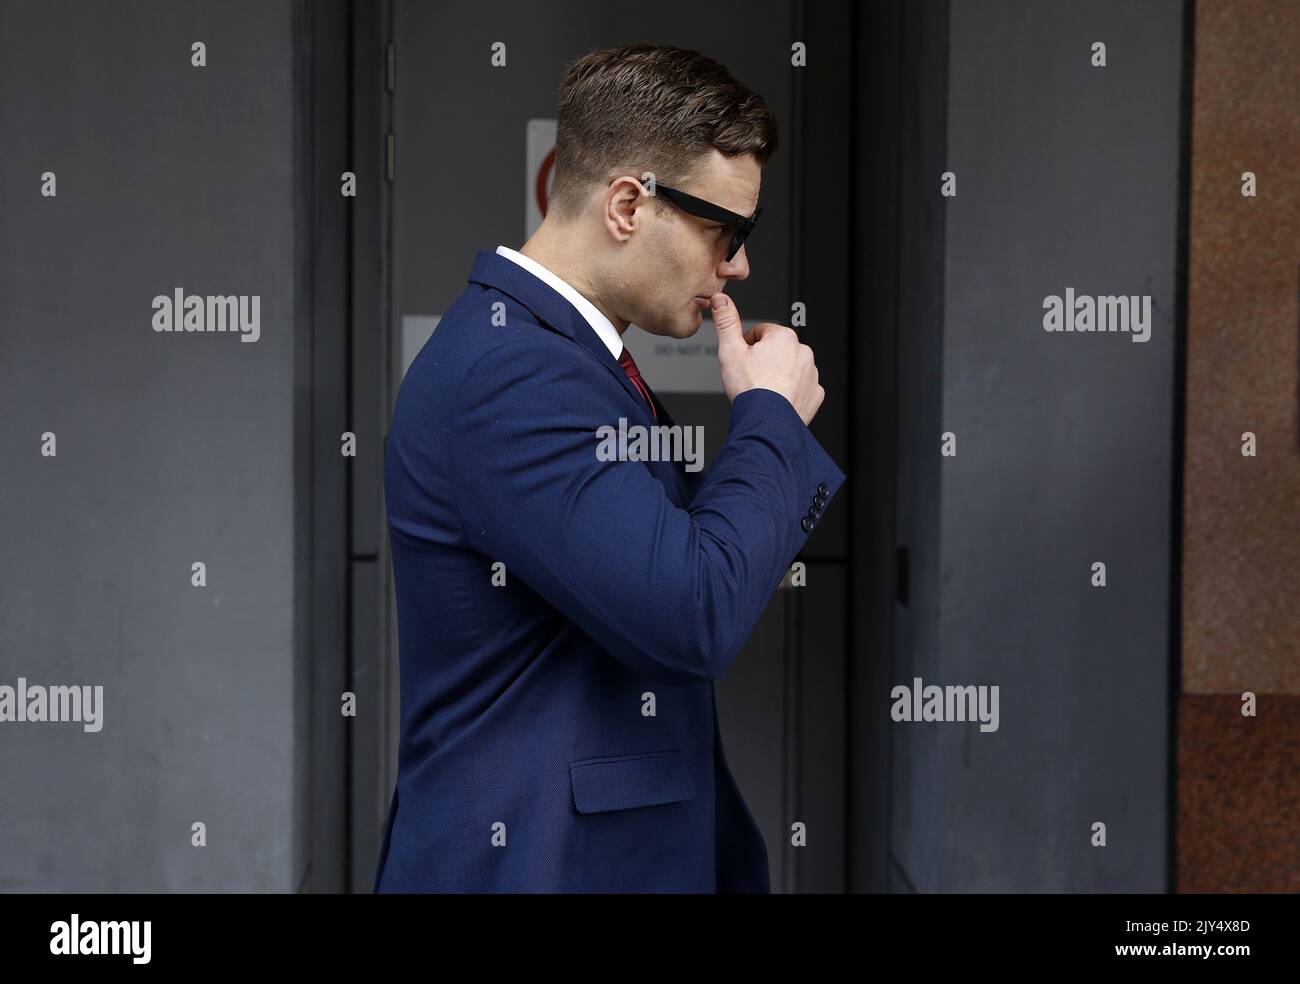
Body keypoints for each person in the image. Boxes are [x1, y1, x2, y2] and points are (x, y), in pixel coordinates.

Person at [374, 44, 844, 893]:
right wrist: (770, 422)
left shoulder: (564, 359)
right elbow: (691, 613)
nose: (736, 265)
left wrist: (771, 434)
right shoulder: (514, 377)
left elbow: (666, 562)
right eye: (726, 230)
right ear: (629, 204)